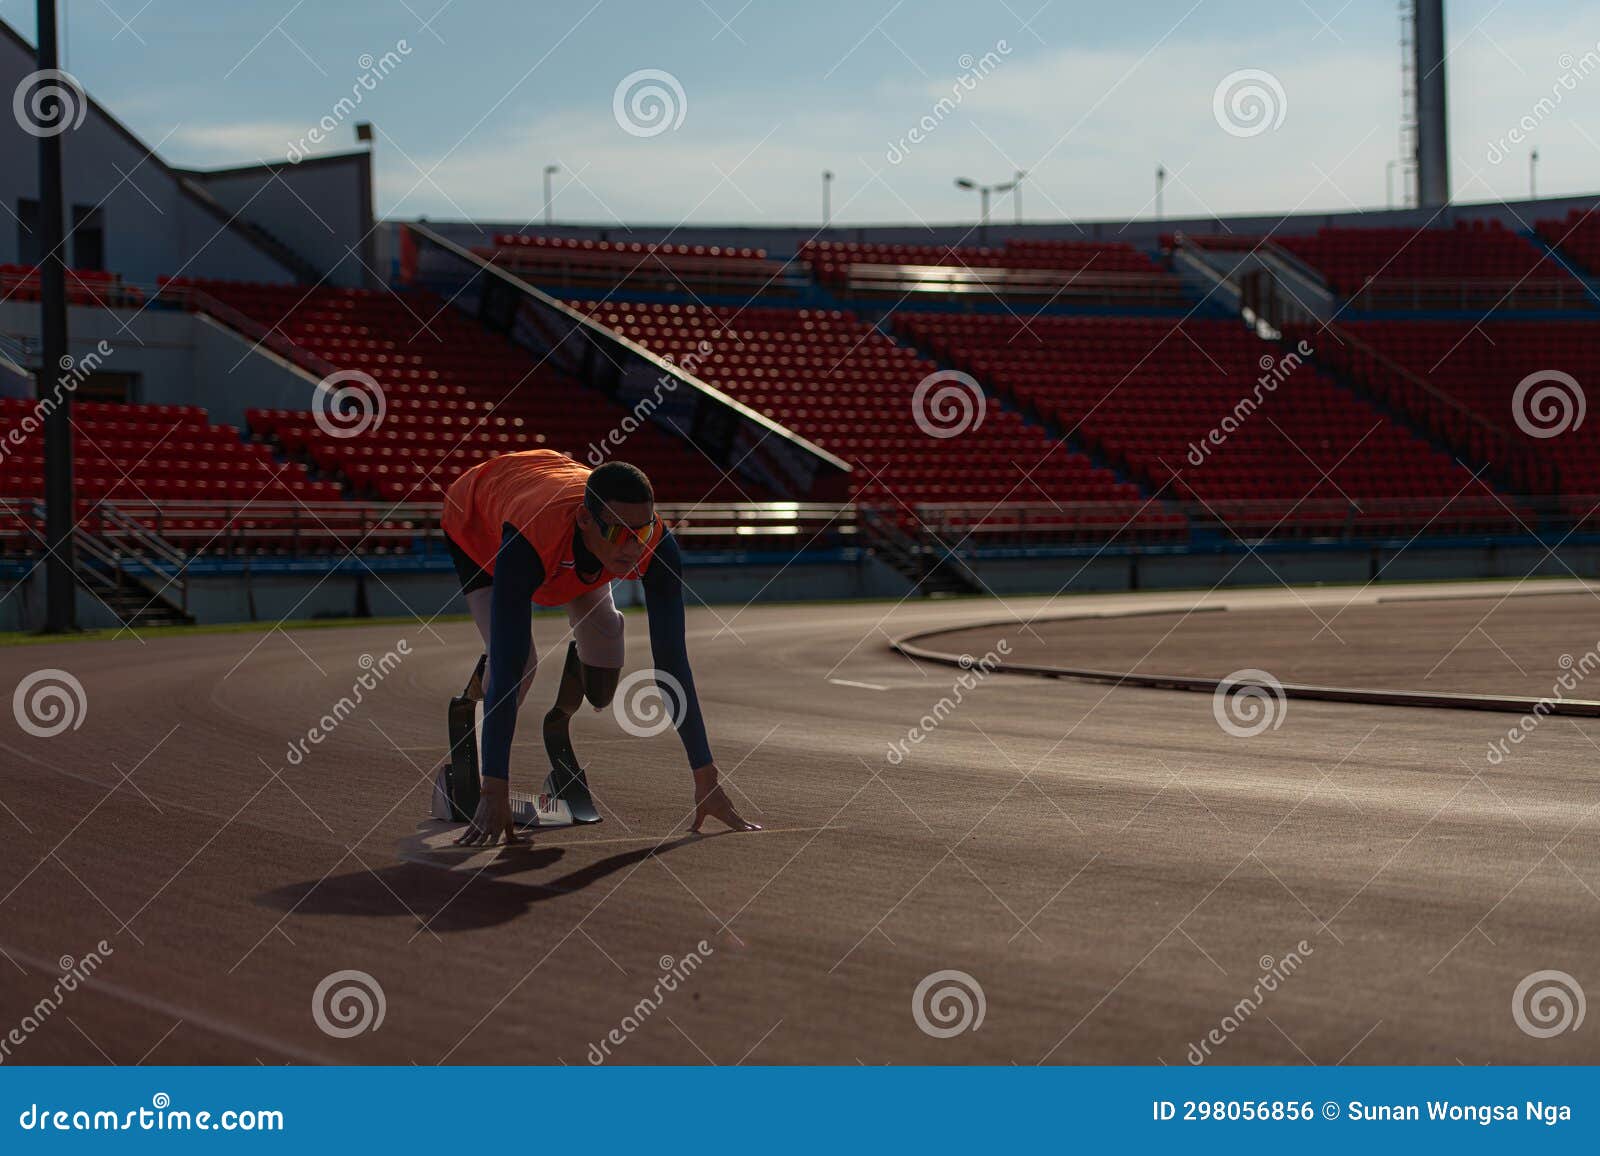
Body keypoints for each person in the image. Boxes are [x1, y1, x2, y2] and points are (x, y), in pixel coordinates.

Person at [436, 449, 759, 846]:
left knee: (606, 640)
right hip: (479, 523)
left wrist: (706, 779)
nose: (631, 548)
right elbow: (507, 659)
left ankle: (558, 730)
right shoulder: (530, 537)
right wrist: (493, 791)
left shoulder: (649, 542)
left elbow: (673, 663)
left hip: (562, 526)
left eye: (639, 533)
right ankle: (469, 710)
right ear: (585, 520)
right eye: (620, 533)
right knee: (520, 666)